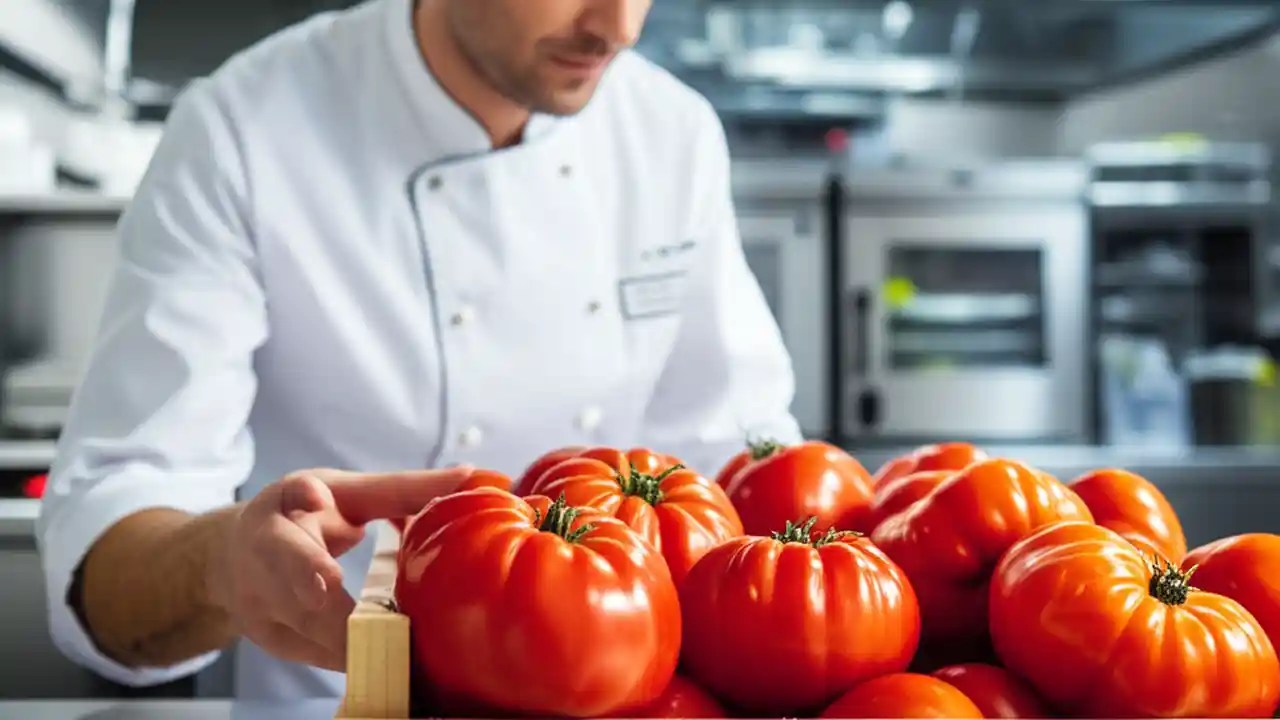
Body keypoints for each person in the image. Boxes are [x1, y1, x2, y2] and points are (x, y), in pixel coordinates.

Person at [36, 0, 801, 702]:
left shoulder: (671, 133)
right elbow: (114, 540)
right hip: (337, 702)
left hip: (627, 698)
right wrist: (220, 564)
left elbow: (740, 462)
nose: (620, 27)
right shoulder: (244, 128)